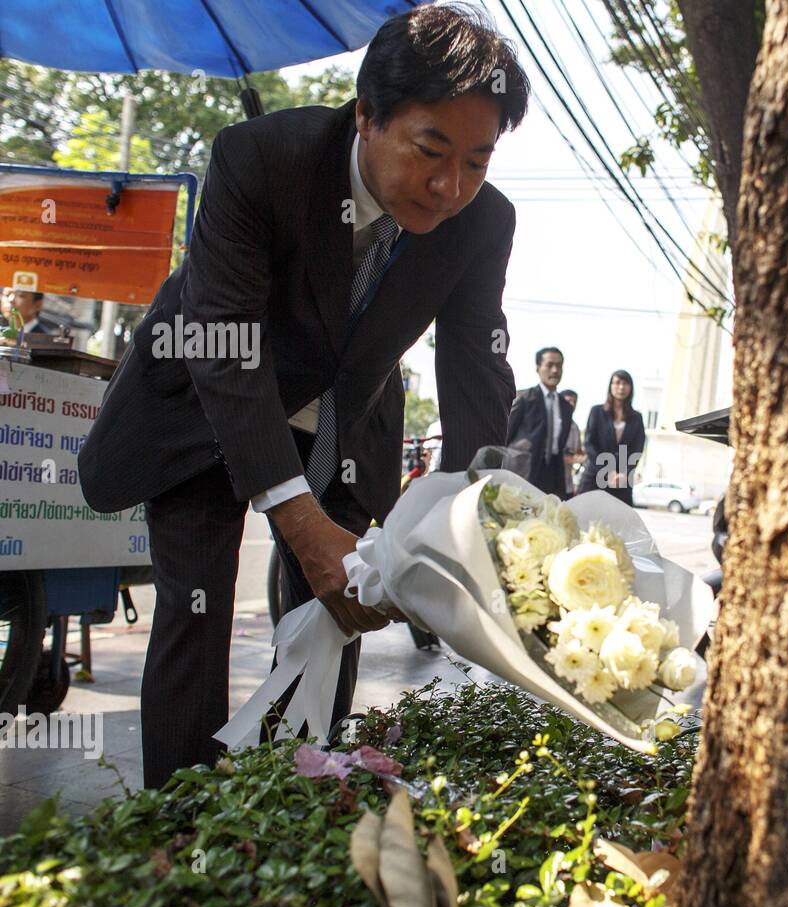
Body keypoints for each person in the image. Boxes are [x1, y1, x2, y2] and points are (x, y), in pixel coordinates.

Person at [76, 4, 530, 789]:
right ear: (367, 116)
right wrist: (293, 513)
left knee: (342, 609)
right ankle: (178, 830)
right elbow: (229, 345)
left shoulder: (482, 222)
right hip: (206, 405)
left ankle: (297, 801)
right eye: (431, 149)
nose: (449, 185)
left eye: (478, 161)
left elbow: (476, 364)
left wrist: (465, 508)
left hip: (345, 427)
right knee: (196, 610)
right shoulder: (261, 160)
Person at [506, 346, 573, 496]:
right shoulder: (524, 398)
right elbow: (506, 435)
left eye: (559, 366)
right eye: (549, 365)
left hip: (554, 472)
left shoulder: (566, 406)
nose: (555, 370)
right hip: (525, 470)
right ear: (538, 368)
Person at [578, 369, 645, 506]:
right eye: (617, 382)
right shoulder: (596, 412)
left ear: (631, 388)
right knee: (585, 518)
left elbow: (637, 449)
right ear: (611, 386)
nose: (621, 387)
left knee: (619, 522)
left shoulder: (637, 418)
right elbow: (589, 444)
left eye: (625, 383)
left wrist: (624, 473)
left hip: (622, 480)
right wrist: (608, 471)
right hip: (595, 476)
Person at [559, 388, 583, 498]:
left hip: (567, 483)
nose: (572, 404)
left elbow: (578, 452)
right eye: (568, 401)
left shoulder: (575, 428)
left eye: (574, 401)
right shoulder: (551, 423)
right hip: (548, 482)